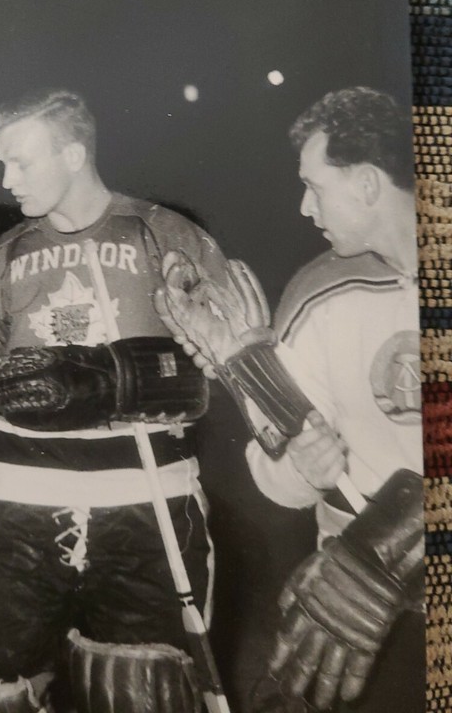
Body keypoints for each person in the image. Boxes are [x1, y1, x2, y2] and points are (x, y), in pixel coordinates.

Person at [0, 88, 230, 713]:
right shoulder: (8, 253)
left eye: (21, 162)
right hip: (20, 506)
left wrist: (199, 350)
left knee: (142, 691)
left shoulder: (162, 235)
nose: (5, 179)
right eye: (1, 162)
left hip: (143, 503)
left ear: (73, 153)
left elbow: (229, 349)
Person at [156, 87, 424, 712]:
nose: (305, 206)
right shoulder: (316, 294)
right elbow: (281, 477)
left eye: (314, 185)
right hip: (354, 603)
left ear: (364, 184)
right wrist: (297, 467)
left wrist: (390, 548)